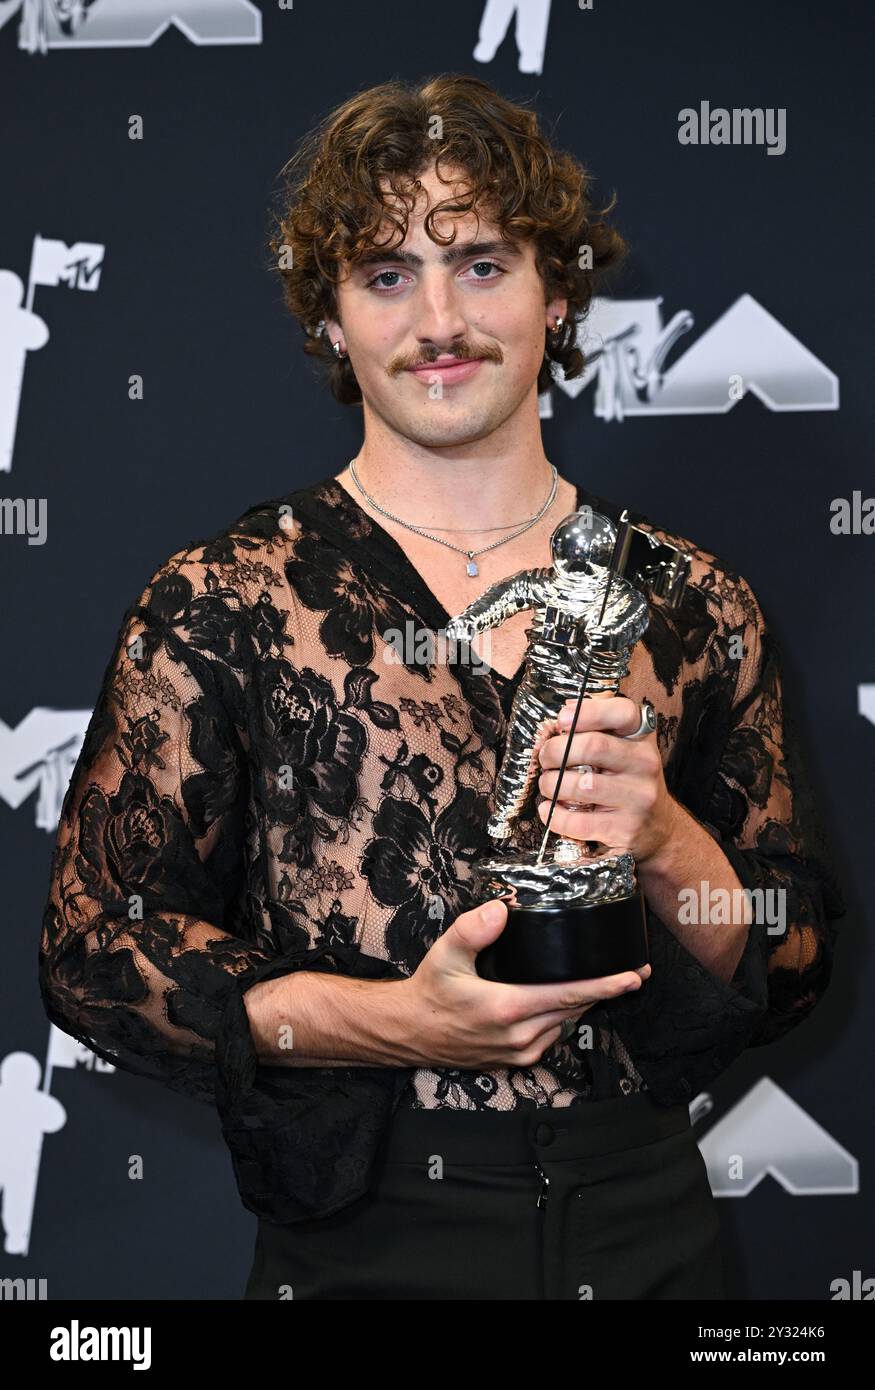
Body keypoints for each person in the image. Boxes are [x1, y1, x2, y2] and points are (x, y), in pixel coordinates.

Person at [39, 74, 845, 1301]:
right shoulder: (228, 598)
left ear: (555, 293)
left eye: (478, 264)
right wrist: (397, 1023)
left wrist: (669, 840)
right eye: (383, 274)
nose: (437, 319)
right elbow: (96, 948)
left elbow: (787, 957)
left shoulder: (688, 599)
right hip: (365, 1238)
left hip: (648, 1234)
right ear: (330, 320)